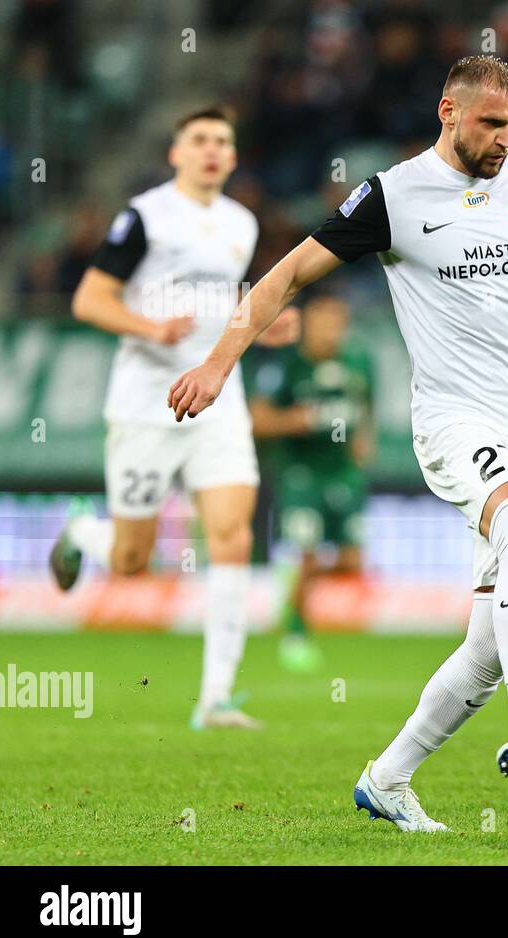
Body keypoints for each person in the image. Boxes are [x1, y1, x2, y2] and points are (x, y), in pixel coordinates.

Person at [167, 56, 508, 832]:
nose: (504, 139)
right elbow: (288, 276)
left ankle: (388, 779)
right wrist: (218, 362)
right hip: (455, 420)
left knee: (487, 650)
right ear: (448, 112)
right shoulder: (393, 197)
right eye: (491, 123)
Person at [49, 106, 298, 730]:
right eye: (199, 140)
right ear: (176, 153)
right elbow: (90, 299)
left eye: (222, 141)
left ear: (233, 157)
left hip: (218, 399)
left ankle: (216, 698)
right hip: (146, 404)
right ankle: (83, 533)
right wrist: (149, 327)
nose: (211, 150)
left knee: (232, 535)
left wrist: (260, 323)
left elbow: (226, 299)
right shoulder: (145, 217)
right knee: (132, 558)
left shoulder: (241, 223)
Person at [249, 292, 375, 673]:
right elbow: (257, 420)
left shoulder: (358, 361)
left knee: (352, 561)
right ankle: (296, 634)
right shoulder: (287, 365)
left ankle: (292, 585)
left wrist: (362, 444)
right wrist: (295, 421)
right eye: (324, 321)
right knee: (308, 552)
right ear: (307, 323)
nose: (331, 330)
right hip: (300, 473)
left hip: (342, 473)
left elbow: (365, 407)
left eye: (338, 321)